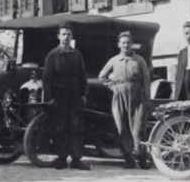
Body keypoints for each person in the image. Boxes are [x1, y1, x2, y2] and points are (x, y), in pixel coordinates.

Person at [99, 31, 152, 169]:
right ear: (119, 45)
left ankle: (141, 158)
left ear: (132, 44)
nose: (126, 45)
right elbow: (102, 76)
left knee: (138, 128)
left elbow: (146, 79)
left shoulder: (139, 60)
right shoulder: (114, 60)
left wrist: (147, 98)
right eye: (123, 43)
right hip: (119, 96)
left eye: (128, 43)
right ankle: (128, 158)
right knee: (121, 128)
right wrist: (113, 87)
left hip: (136, 96)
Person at [42, 22, 90, 171]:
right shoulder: (53, 55)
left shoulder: (77, 55)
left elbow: (83, 76)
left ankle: (76, 159)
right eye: (63, 34)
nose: (66, 37)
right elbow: (47, 78)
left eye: (68, 34)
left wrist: (84, 94)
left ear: (72, 37)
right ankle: (61, 158)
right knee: (60, 127)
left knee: (76, 128)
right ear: (58, 36)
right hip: (59, 97)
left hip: (75, 97)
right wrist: (50, 97)